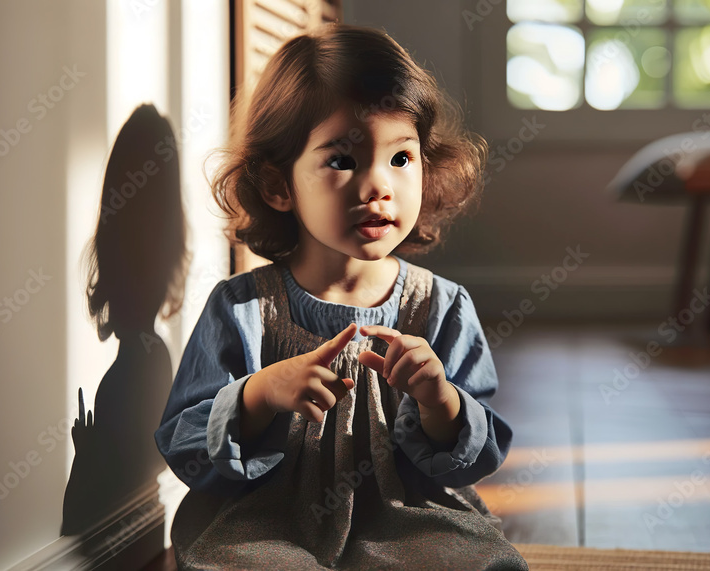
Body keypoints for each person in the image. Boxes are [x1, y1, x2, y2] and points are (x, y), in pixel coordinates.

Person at [155, 23, 528, 570]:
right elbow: (186, 447)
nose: (379, 185)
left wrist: (439, 401)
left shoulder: (443, 307)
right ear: (278, 185)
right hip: (265, 521)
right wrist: (259, 394)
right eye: (342, 161)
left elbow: (476, 454)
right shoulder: (241, 308)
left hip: (407, 518)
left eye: (401, 158)